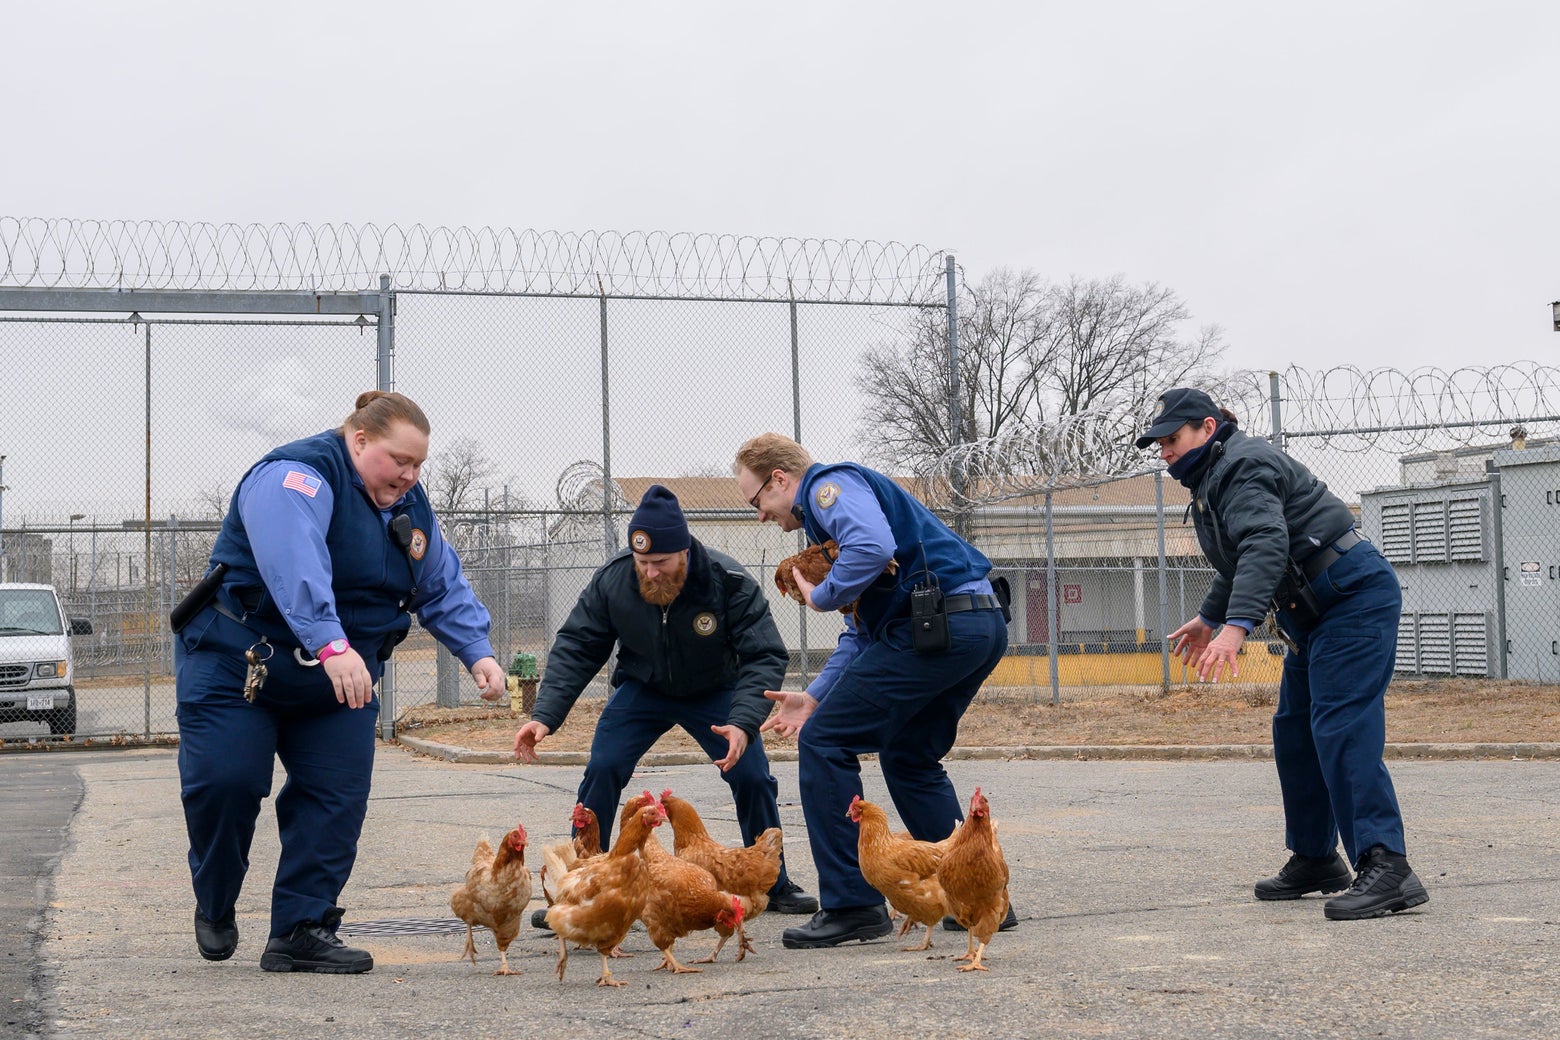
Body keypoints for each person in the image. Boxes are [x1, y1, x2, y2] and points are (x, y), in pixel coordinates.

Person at [174, 391, 506, 973]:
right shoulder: (294, 477)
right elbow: (292, 561)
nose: (409, 475)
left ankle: (301, 928)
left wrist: (476, 652)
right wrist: (331, 643)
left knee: (335, 798)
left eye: (418, 464)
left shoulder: (410, 508)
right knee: (226, 782)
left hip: (340, 678)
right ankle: (217, 898)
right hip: (239, 662)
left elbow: (440, 582)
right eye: (398, 460)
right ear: (358, 440)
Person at [1137, 387, 1430, 920]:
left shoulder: (1242, 464)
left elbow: (1265, 544)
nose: (1164, 452)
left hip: (1350, 599)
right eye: (1158, 444)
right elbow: (1239, 558)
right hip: (1311, 611)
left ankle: (1388, 866)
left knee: (1341, 726)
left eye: (1172, 439)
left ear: (1206, 427)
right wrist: (1209, 618)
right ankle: (1317, 857)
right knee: (1295, 730)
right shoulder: (1213, 478)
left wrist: (1237, 627)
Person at [733, 433, 1013, 949]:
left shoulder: (826, 489)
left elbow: (873, 548)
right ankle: (977, 898)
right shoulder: (828, 529)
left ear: (779, 480)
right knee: (908, 754)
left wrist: (823, 596)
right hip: (973, 624)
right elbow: (865, 632)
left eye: (758, 501)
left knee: (823, 742)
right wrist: (814, 695)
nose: (761, 516)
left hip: (938, 627)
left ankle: (852, 905)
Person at [512, 484, 818, 924]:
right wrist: (544, 717)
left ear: (685, 553)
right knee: (604, 766)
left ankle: (774, 881)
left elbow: (763, 654)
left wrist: (743, 721)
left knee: (750, 774)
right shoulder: (615, 579)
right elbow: (578, 645)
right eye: (643, 563)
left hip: (715, 690)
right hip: (644, 689)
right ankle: (580, 889)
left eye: (661, 563)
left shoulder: (727, 581)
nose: (651, 573)